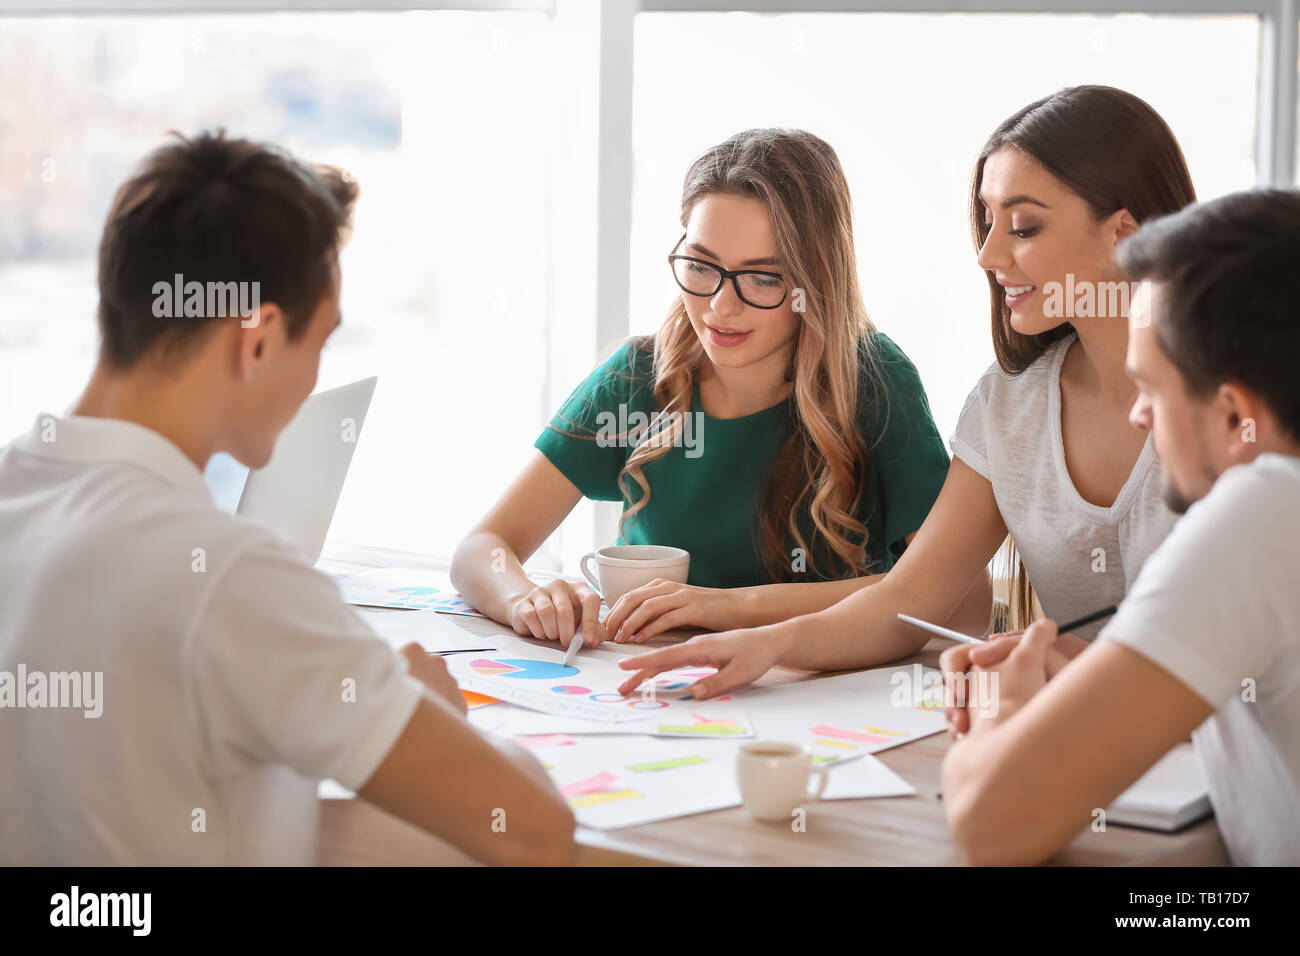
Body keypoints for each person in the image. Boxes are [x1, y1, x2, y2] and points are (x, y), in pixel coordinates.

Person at [0, 131, 575, 866]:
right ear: (259, 339)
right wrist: (431, 709)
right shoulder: (231, 580)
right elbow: (533, 832)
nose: (313, 379)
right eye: (322, 342)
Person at [615, 86, 1196, 699]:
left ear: (1124, 235)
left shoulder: (1241, 398)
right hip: (1099, 740)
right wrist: (768, 643)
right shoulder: (1008, 405)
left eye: (1023, 226)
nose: (987, 253)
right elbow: (909, 598)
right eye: (988, 220)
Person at [452, 128, 985, 650]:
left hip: (804, 702)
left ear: (816, 279)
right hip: (646, 691)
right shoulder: (636, 375)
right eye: (702, 265)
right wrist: (525, 599)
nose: (720, 306)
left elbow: (965, 601)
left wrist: (728, 607)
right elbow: (481, 549)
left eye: (764, 278)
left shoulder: (872, 378)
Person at [939, 188, 1300, 866]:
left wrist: (1004, 706)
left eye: (1154, 390)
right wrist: (1102, 674)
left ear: (1233, 416)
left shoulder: (1261, 508)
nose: (1139, 417)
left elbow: (990, 823)